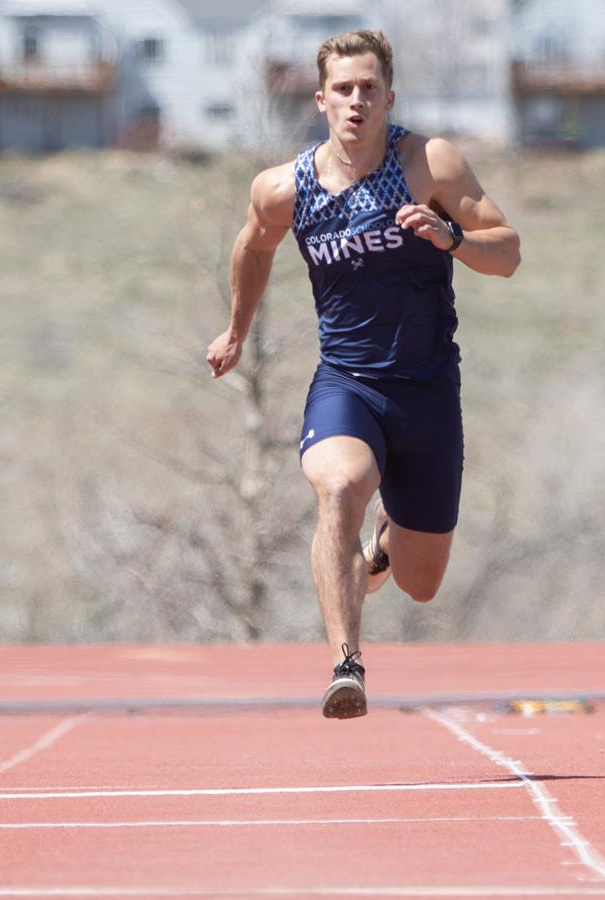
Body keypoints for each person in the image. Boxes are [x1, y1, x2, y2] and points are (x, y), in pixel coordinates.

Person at [206, 30, 520, 719]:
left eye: (368, 88)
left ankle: (383, 544)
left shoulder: (428, 165)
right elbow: (252, 247)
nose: (356, 101)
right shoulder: (286, 188)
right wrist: (236, 330)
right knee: (340, 486)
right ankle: (346, 665)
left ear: (389, 98)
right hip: (347, 383)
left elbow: (508, 252)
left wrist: (452, 238)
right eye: (343, 89)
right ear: (320, 100)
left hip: (427, 390)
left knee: (421, 582)